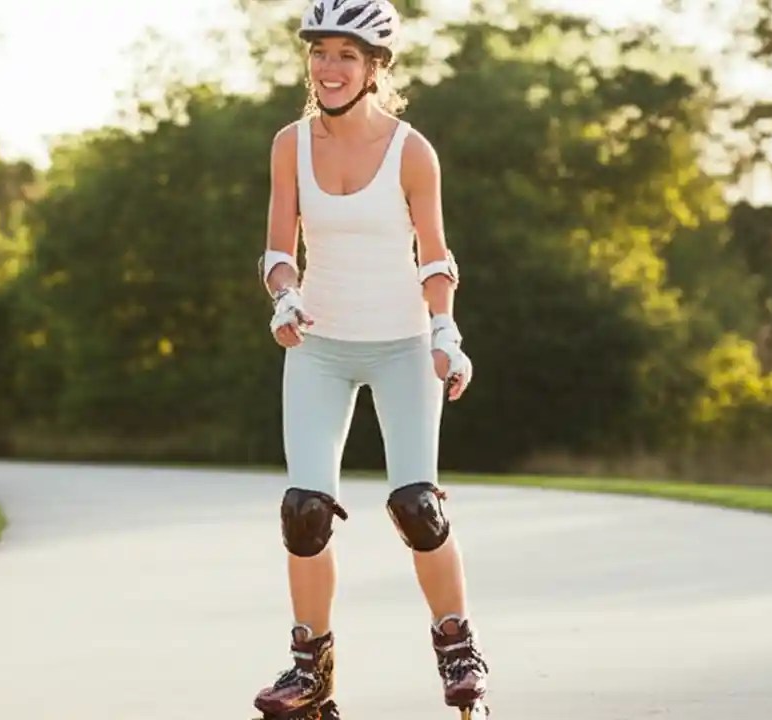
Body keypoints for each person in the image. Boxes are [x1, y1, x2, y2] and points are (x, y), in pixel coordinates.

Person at [252, 1, 489, 718]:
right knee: (304, 511)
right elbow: (276, 251)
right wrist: (284, 297)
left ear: (375, 67)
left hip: (402, 345)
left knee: (418, 508)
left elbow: (435, 255)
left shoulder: (413, 150)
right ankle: (310, 670)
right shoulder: (289, 144)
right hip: (319, 346)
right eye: (320, 53)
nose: (329, 68)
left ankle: (457, 645)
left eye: (346, 56)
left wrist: (445, 332)